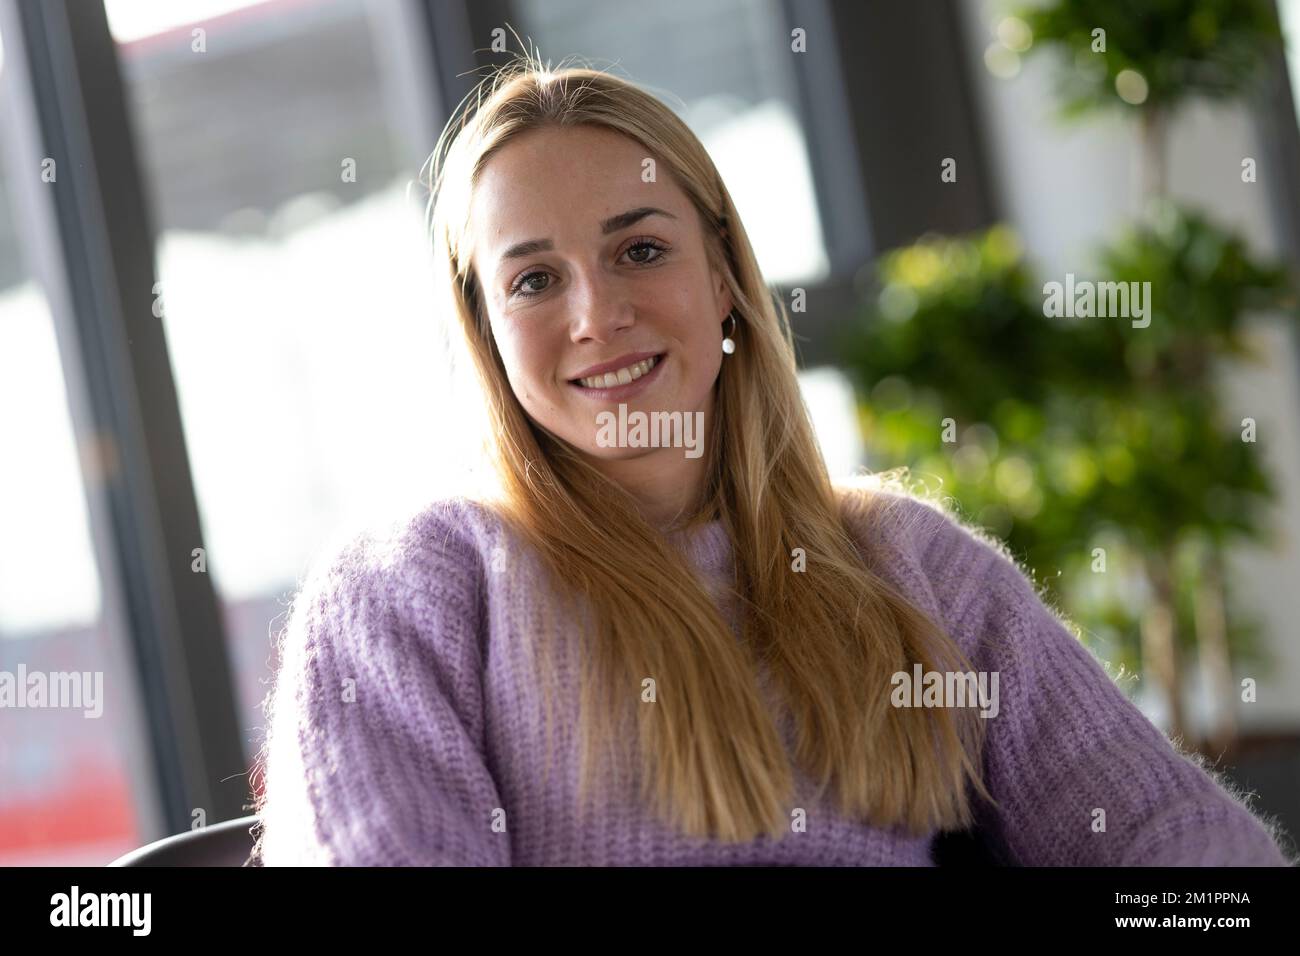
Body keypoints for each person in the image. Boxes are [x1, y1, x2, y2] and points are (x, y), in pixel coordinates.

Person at [251, 54, 1292, 866]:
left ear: (724, 282)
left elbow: (1180, 842)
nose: (597, 314)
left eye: (640, 250)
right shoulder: (406, 592)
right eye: (532, 280)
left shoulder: (908, 564)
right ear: (483, 331)